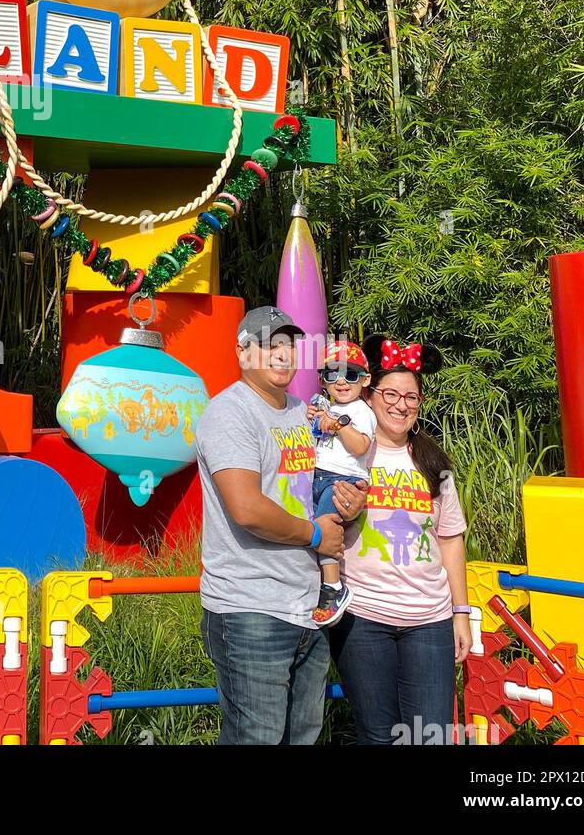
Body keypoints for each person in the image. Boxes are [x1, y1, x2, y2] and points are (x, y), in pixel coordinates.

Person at [195, 306, 367, 745]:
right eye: (270, 345)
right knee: (257, 737)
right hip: (250, 606)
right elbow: (247, 509)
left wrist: (349, 502)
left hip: (310, 605)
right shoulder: (229, 413)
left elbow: (317, 485)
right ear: (242, 351)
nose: (282, 354)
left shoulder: (302, 412)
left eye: (289, 345)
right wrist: (315, 535)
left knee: (303, 736)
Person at [329, 336, 472, 745]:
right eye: (390, 393)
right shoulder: (348, 453)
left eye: (411, 397)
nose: (400, 404)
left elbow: (450, 540)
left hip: (430, 620)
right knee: (378, 736)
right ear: (369, 396)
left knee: (430, 736)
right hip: (364, 617)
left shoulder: (434, 463)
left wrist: (460, 613)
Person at [306, 339, 376, 625]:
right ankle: (319, 583)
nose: (341, 381)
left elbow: (360, 447)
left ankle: (333, 588)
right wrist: (315, 420)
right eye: (332, 374)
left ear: (366, 379)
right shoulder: (328, 407)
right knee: (311, 528)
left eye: (350, 374)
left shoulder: (362, 412)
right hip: (318, 475)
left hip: (343, 479)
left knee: (326, 527)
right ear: (323, 380)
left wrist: (338, 424)